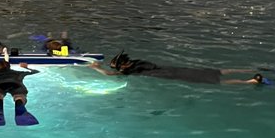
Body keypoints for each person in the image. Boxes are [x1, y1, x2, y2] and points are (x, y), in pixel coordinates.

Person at [90, 51, 264, 85]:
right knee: (213, 73)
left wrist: (96, 67)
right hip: (175, 69)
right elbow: (114, 71)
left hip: (173, 75)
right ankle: (248, 71)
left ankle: (249, 81)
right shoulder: (137, 63)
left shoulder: (132, 71)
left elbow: (110, 74)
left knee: (212, 79)